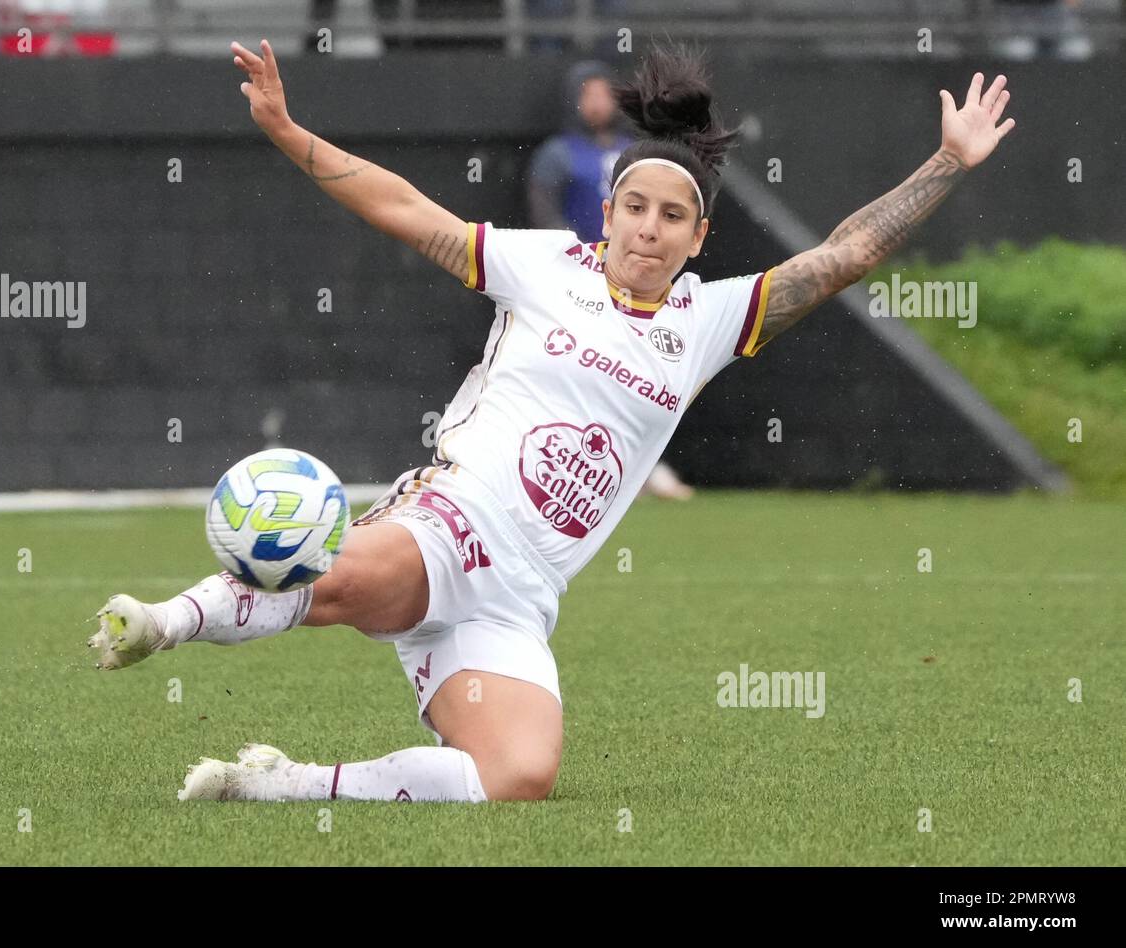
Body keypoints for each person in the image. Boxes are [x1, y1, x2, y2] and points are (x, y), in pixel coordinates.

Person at [87, 40, 1015, 803]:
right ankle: (160, 622)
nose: (650, 228)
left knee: (517, 777)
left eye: (674, 217)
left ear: (700, 239)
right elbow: (406, 210)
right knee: (334, 586)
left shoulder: (710, 322)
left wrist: (949, 162)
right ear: (607, 213)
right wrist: (289, 131)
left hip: (521, 597)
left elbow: (843, 255)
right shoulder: (546, 266)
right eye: (636, 208)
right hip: (454, 521)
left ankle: (279, 786)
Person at [527, 60, 694, 500]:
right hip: (581, 278)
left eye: (605, 93)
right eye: (589, 93)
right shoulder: (558, 153)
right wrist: (568, 262)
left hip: (635, 281)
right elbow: (543, 211)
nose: (598, 102)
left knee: (636, 374)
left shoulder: (635, 152)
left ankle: (637, 463)